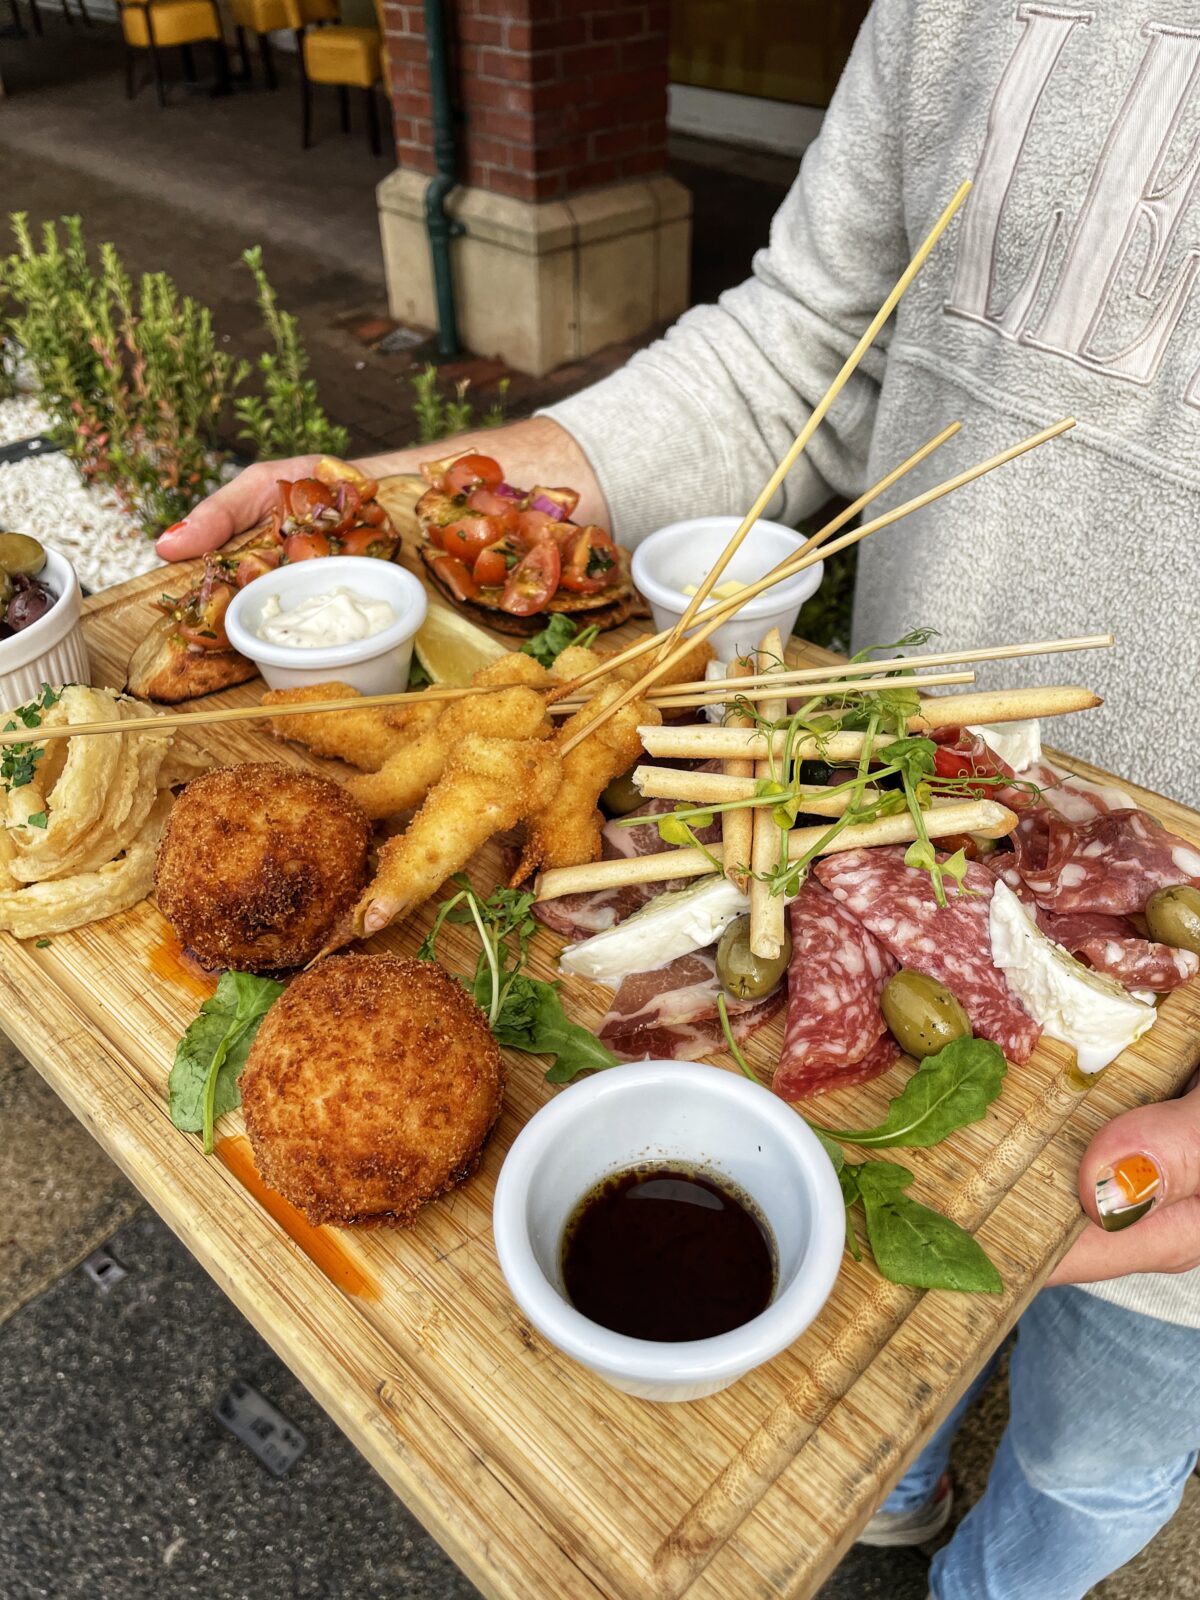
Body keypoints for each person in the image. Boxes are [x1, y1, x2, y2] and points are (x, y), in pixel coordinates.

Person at [160, 2, 1200, 1594]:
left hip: (1142, 992)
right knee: (873, 1381)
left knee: (1090, 1454)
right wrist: (443, 509)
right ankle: (900, 1489)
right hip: (858, 822)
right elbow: (805, 345)